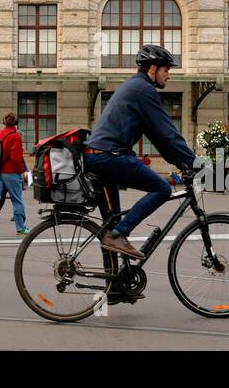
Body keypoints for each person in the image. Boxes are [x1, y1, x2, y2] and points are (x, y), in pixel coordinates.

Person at [83, 45, 196, 260]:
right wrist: (194, 162)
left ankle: (115, 289)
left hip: (98, 155)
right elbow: (167, 133)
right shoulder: (144, 90)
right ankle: (119, 235)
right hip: (108, 156)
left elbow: (158, 136)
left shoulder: (136, 87)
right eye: (166, 70)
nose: (168, 75)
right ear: (152, 69)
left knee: (111, 227)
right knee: (162, 189)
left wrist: (181, 163)